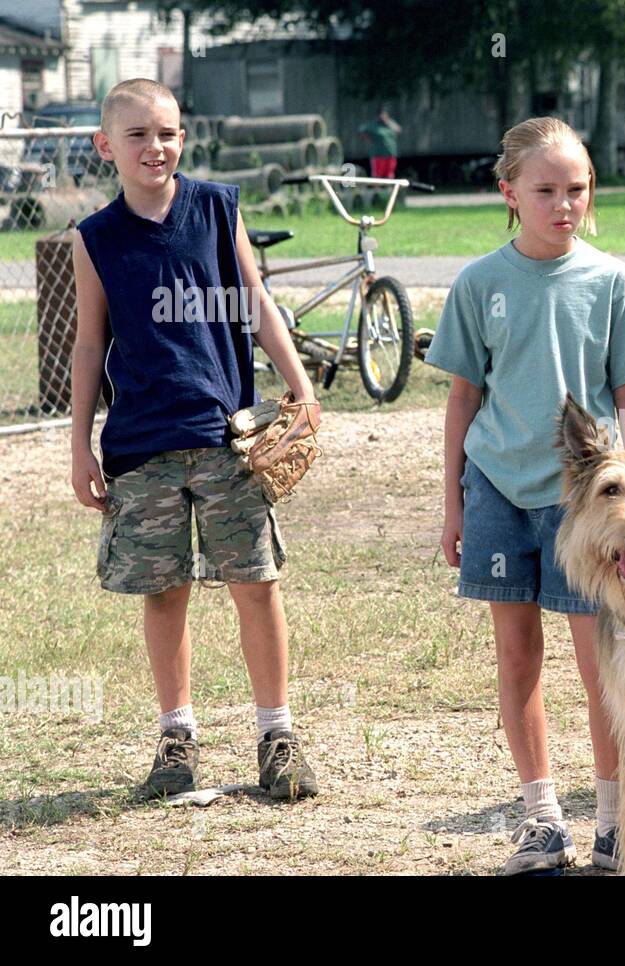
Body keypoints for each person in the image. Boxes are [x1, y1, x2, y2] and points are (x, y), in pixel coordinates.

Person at [425, 116, 625, 874]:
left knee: (603, 663)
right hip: (498, 489)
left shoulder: (610, 281)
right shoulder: (479, 283)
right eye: (545, 191)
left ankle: (611, 819)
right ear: (509, 193)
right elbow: (463, 400)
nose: (564, 204)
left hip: (585, 505)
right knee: (516, 656)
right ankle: (541, 819)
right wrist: (455, 502)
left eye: (577, 189)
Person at [69, 78, 322, 801]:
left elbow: (257, 303)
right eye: (139, 135)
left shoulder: (215, 209)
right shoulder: (95, 239)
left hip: (225, 437)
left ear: (184, 137)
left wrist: (299, 386)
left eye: (169, 132)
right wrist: (80, 444)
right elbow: (90, 347)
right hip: (141, 444)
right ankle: (176, 742)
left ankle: (278, 737)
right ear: (105, 145)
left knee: (255, 583)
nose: (156, 146)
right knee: (166, 590)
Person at [359, 108, 401, 179]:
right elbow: (362, 130)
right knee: (377, 175)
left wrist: (389, 123)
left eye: (385, 114)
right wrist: (369, 140)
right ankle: (377, 190)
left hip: (390, 153)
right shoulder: (374, 125)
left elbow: (398, 130)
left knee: (390, 174)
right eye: (381, 115)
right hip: (378, 154)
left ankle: (389, 189)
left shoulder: (390, 124)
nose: (383, 116)